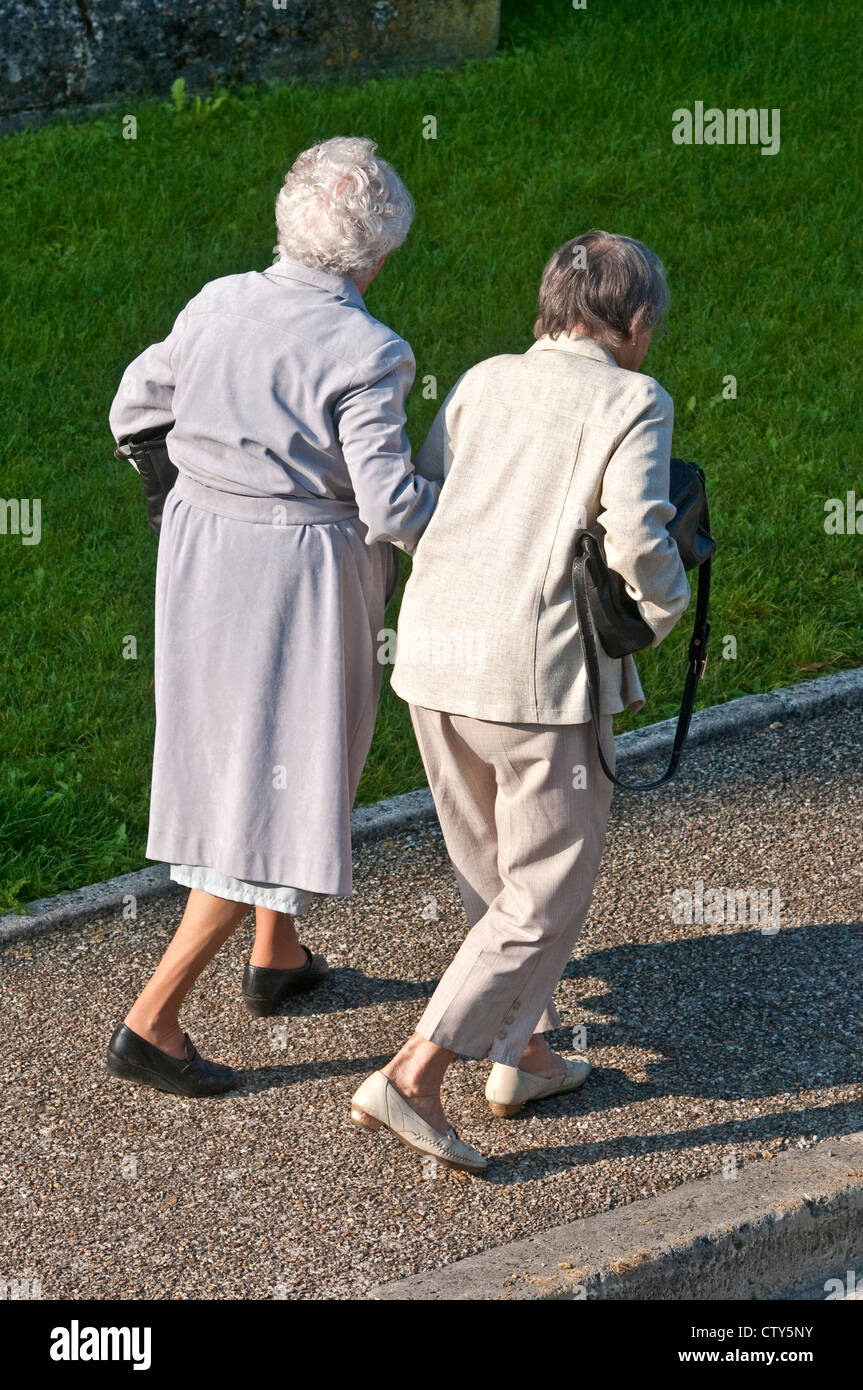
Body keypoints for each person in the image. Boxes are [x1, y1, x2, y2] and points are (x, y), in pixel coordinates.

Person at [351, 231, 691, 1172]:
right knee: (544, 888)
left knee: (489, 872)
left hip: (432, 657)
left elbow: (428, 498)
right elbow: (635, 539)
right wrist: (663, 611)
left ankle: (525, 1053)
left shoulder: (479, 380)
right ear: (633, 322)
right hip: (535, 677)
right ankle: (416, 1072)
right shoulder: (633, 399)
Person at [106, 136, 439, 1098]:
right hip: (300, 578)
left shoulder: (216, 301)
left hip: (202, 554)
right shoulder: (369, 351)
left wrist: (191, 493)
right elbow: (387, 505)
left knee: (237, 752)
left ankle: (276, 953)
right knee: (268, 788)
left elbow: (136, 405)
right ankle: (152, 1022)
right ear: (378, 258)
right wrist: (466, 534)